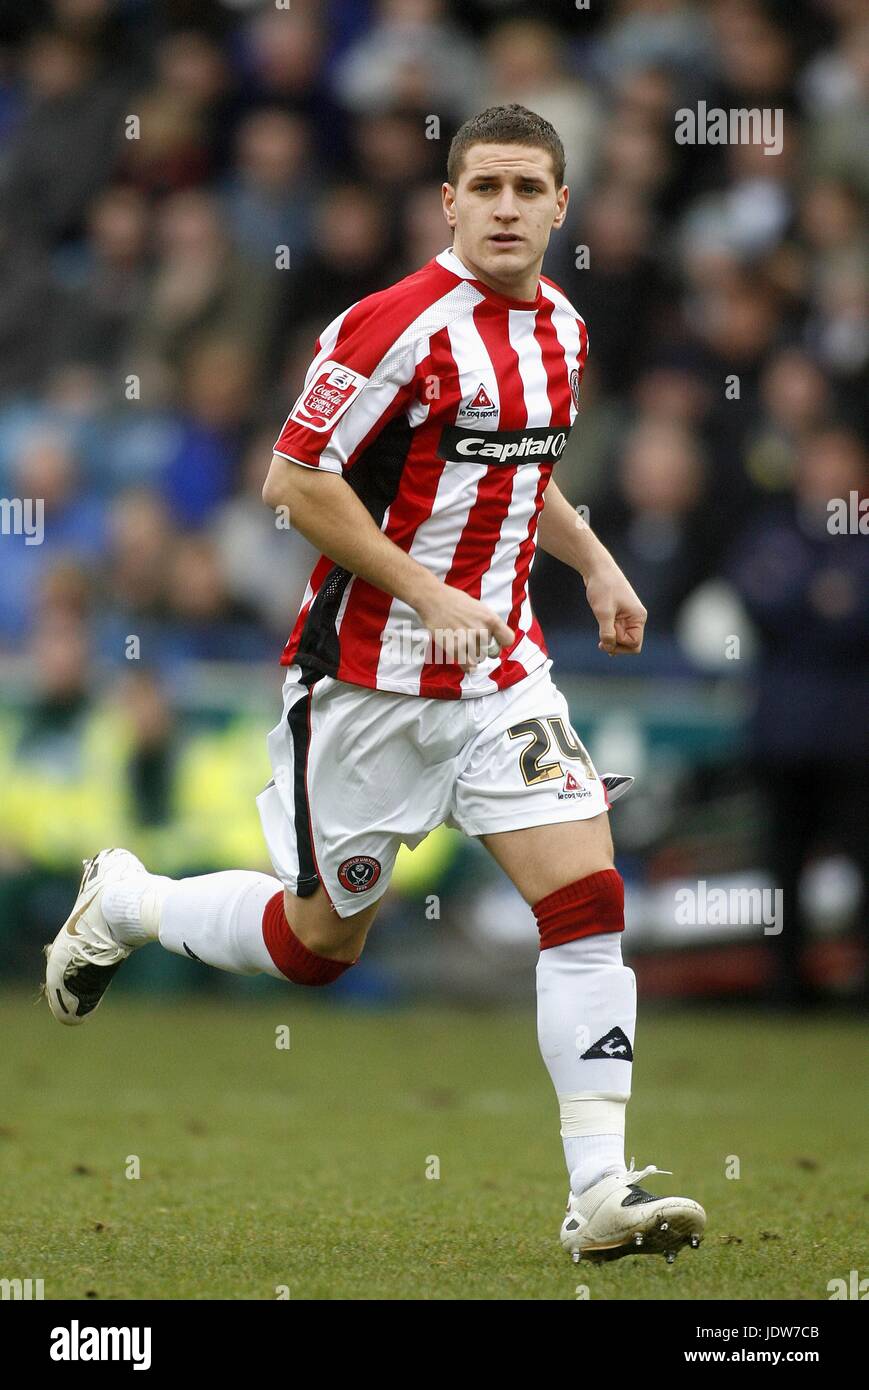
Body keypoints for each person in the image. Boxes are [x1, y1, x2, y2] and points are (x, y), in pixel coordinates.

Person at [44, 104, 705, 1265]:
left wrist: (595, 561)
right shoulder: (390, 325)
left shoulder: (562, 330)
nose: (505, 207)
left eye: (527, 189)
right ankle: (129, 904)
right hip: (364, 685)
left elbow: (510, 473)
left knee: (587, 904)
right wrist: (425, 592)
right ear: (448, 202)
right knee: (315, 949)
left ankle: (598, 1189)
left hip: (502, 679)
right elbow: (293, 481)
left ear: (562, 206)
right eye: (484, 187)